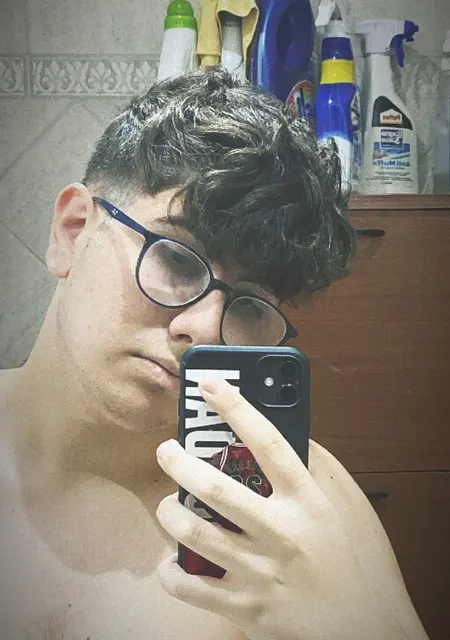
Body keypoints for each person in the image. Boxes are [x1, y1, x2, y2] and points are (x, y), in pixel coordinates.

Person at [0, 68, 429, 640]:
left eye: (251, 307)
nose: (204, 330)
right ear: (73, 231)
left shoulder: (304, 503)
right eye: (176, 259)